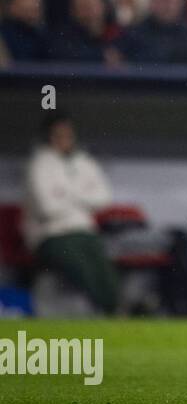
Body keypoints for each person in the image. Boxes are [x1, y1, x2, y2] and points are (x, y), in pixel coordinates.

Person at [22, 113, 118, 313]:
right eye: (58, 135)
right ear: (48, 137)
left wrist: (66, 194)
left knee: (104, 270)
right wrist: (83, 196)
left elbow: (104, 198)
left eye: (68, 135)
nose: (64, 140)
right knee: (82, 268)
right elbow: (47, 208)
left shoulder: (84, 162)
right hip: (52, 236)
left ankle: (115, 311)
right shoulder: (39, 165)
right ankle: (107, 311)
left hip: (84, 232)